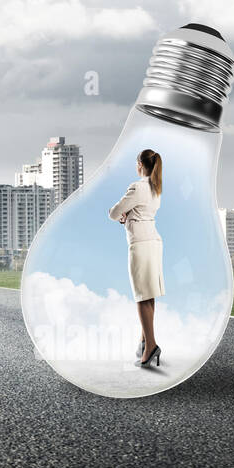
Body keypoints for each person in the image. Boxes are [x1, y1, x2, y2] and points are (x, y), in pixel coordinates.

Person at [108, 149, 164, 368]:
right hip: (154, 242)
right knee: (150, 294)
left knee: (141, 296)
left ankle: (151, 346)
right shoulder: (156, 188)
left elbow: (114, 212)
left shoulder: (137, 187)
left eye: (136, 163)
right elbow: (140, 213)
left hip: (140, 244)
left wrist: (122, 215)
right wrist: (129, 216)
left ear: (140, 164)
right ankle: (144, 341)